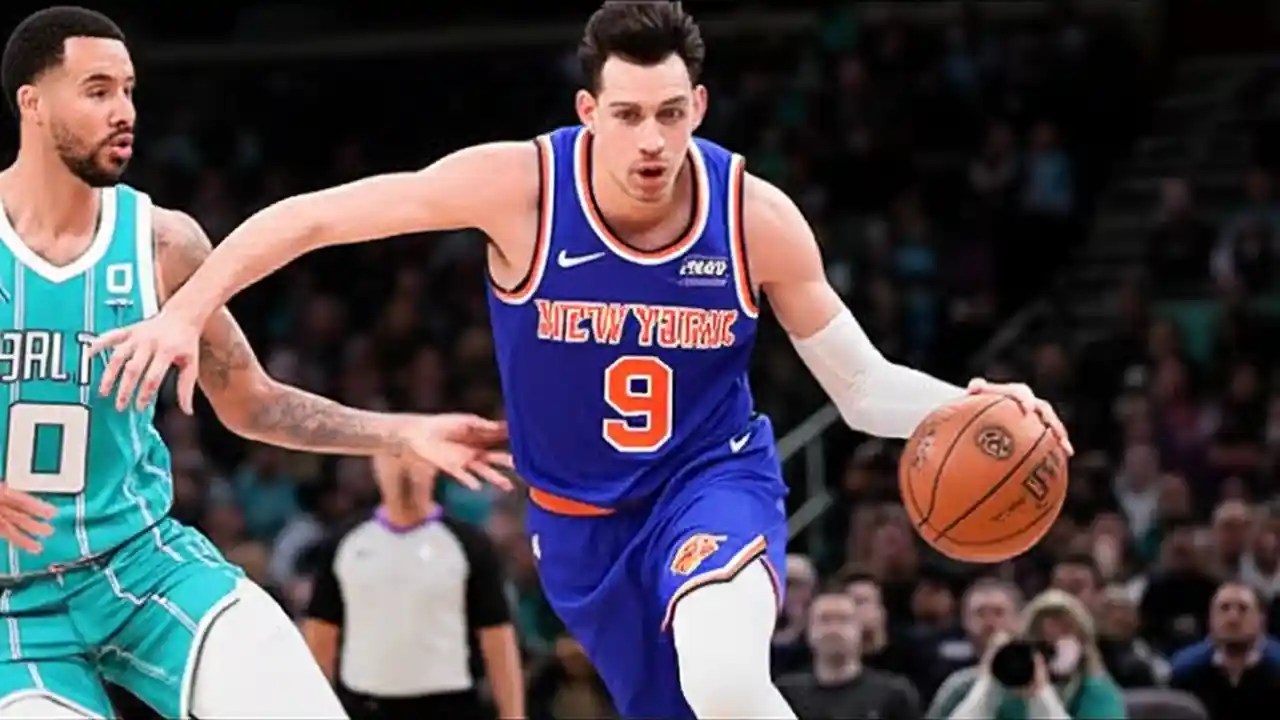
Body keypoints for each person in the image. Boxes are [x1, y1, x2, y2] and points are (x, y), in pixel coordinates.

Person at [89, 3, 1073, 717]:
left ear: (699, 106)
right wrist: (188, 311)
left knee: (727, 678)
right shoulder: (519, 187)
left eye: (671, 113)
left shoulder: (753, 217)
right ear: (587, 110)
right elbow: (316, 218)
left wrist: (969, 407)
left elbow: (859, 388)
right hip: (580, 530)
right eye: (629, 114)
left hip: (709, 482)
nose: (652, 140)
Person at [0, 7, 510, 719]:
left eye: (129, 90)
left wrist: (401, 432)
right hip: (13, 608)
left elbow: (253, 403)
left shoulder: (162, 243)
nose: (124, 111)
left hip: (143, 567)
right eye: (97, 91)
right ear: (32, 102)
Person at [303, 455, 525, 720]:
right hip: (364, 704)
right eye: (393, 456)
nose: (404, 468)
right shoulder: (344, 542)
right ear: (376, 464)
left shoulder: (469, 544)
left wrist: (513, 715)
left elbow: (497, 636)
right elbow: (321, 632)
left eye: (414, 457)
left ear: (434, 464)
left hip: (449, 705)